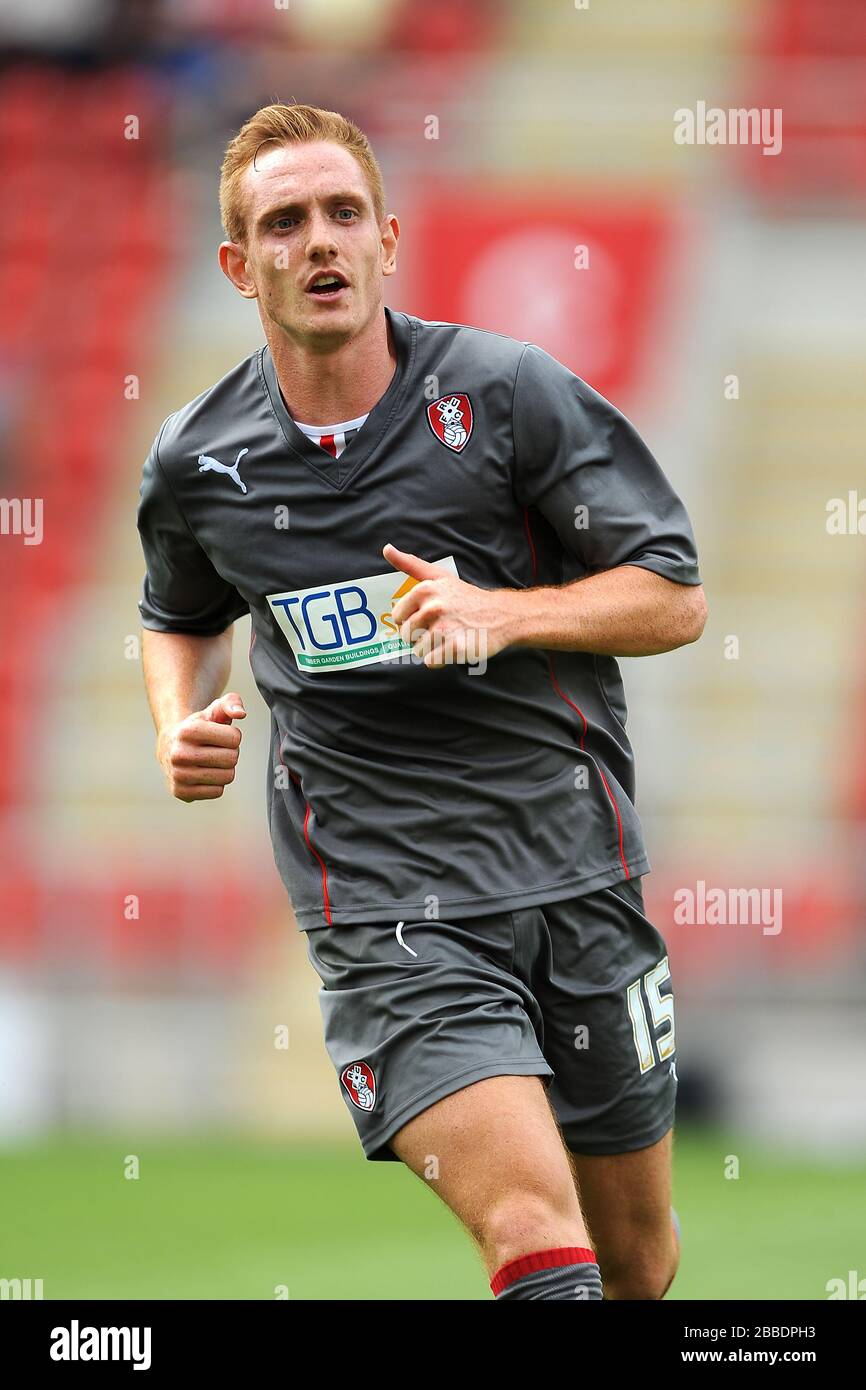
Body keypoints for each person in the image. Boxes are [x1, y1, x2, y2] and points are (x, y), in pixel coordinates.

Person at [137, 102, 707, 1301]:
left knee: (634, 1269)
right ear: (241, 267)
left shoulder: (508, 396)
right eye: (284, 223)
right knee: (529, 1232)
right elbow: (181, 615)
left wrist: (502, 612)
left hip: (573, 872)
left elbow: (670, 595)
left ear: (388, 239)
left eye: (343, 213)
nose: (320, 241)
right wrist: (176, 721)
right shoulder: (200, 461)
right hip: (389, 910)